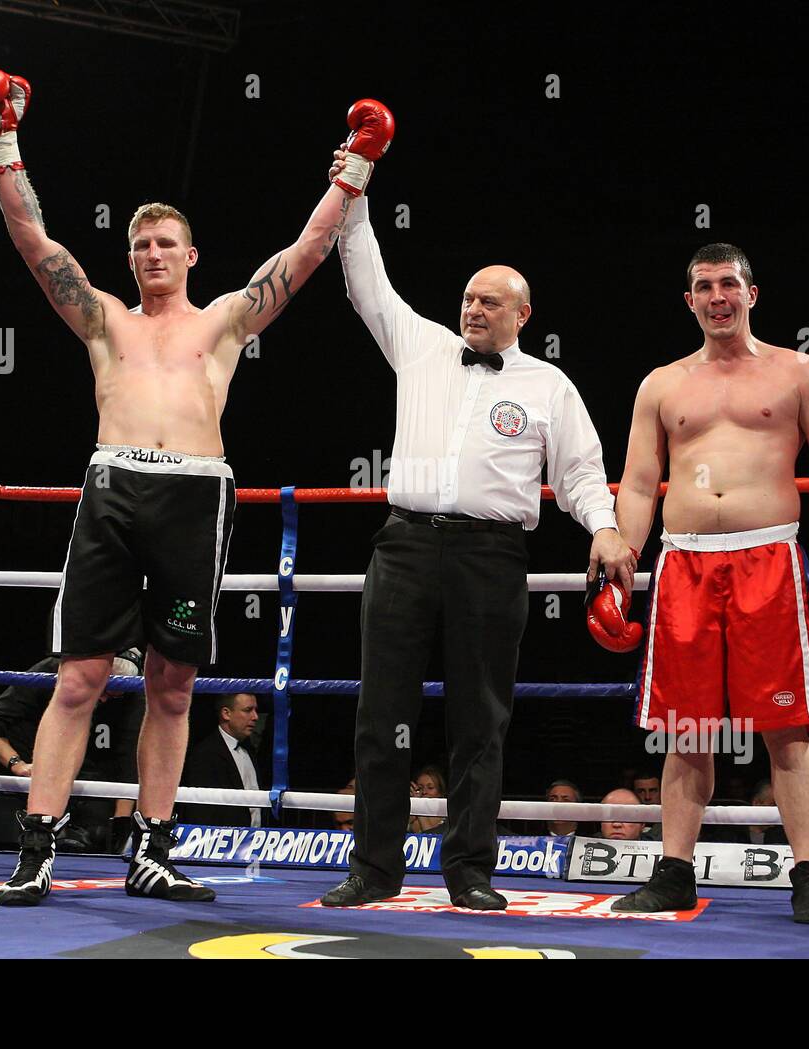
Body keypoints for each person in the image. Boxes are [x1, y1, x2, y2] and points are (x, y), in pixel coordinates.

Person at [0, 70, 384, 906]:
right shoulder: (103, 319)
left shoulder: (225, 319)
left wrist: (357, 168)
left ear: (190, 255)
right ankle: (36, 846)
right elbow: (33, 241)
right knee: (78, 676)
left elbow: (303, 255)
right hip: (114, 487)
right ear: (129, 257)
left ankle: (150, 849)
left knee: (174, 681)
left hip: (196, 495)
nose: (151, 254)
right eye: (139, 244)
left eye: (166, 244)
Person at [319, 129, 628, 911]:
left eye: (490, 300)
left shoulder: (549, 385)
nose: (473, 308)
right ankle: (373, 868)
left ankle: (470, 870)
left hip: (493, 555)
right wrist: (355, 180)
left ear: (523, 312)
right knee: (380, 709)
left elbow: (584, 473)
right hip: (406, 545)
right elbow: (365, 278)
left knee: (480, 717)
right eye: (468, 297)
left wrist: (604, 526)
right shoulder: (421, 346)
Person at [598, 243, 809, 924]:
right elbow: (638, 481)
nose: (717, 295)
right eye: (703, 286)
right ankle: (674, 871)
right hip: (683, 562)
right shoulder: (661, 384)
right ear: (689, 300)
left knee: (786, 728)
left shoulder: (798, 372)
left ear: (751, 294)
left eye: (728, 283)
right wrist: (619, 563)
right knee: (685, 729)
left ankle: (808, 873)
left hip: (769, 561)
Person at [0, 649, 143, 851]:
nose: (105, 699)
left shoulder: (135, 694)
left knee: (97, 833)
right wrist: (17, 765)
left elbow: (130, 760)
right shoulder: (51, 673)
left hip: (91, 786)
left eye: (115, 694)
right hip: (38, 778)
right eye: (104, 690)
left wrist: (120, 823)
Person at [182, 693, 264, 828]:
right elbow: (200, 812)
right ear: (226, 714)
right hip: (223, 843)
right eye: (248, 710)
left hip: (256, 841)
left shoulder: (249, 749)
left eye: (256, 710)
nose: (255, 717)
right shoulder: (204, 755)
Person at [408, 765, 447, 834]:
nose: (424, 792)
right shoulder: (412, 818)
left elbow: (430, 836)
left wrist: (419, 806)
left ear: (441, 792)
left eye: (430, 787)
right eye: (420, 788)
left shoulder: (448, 820)